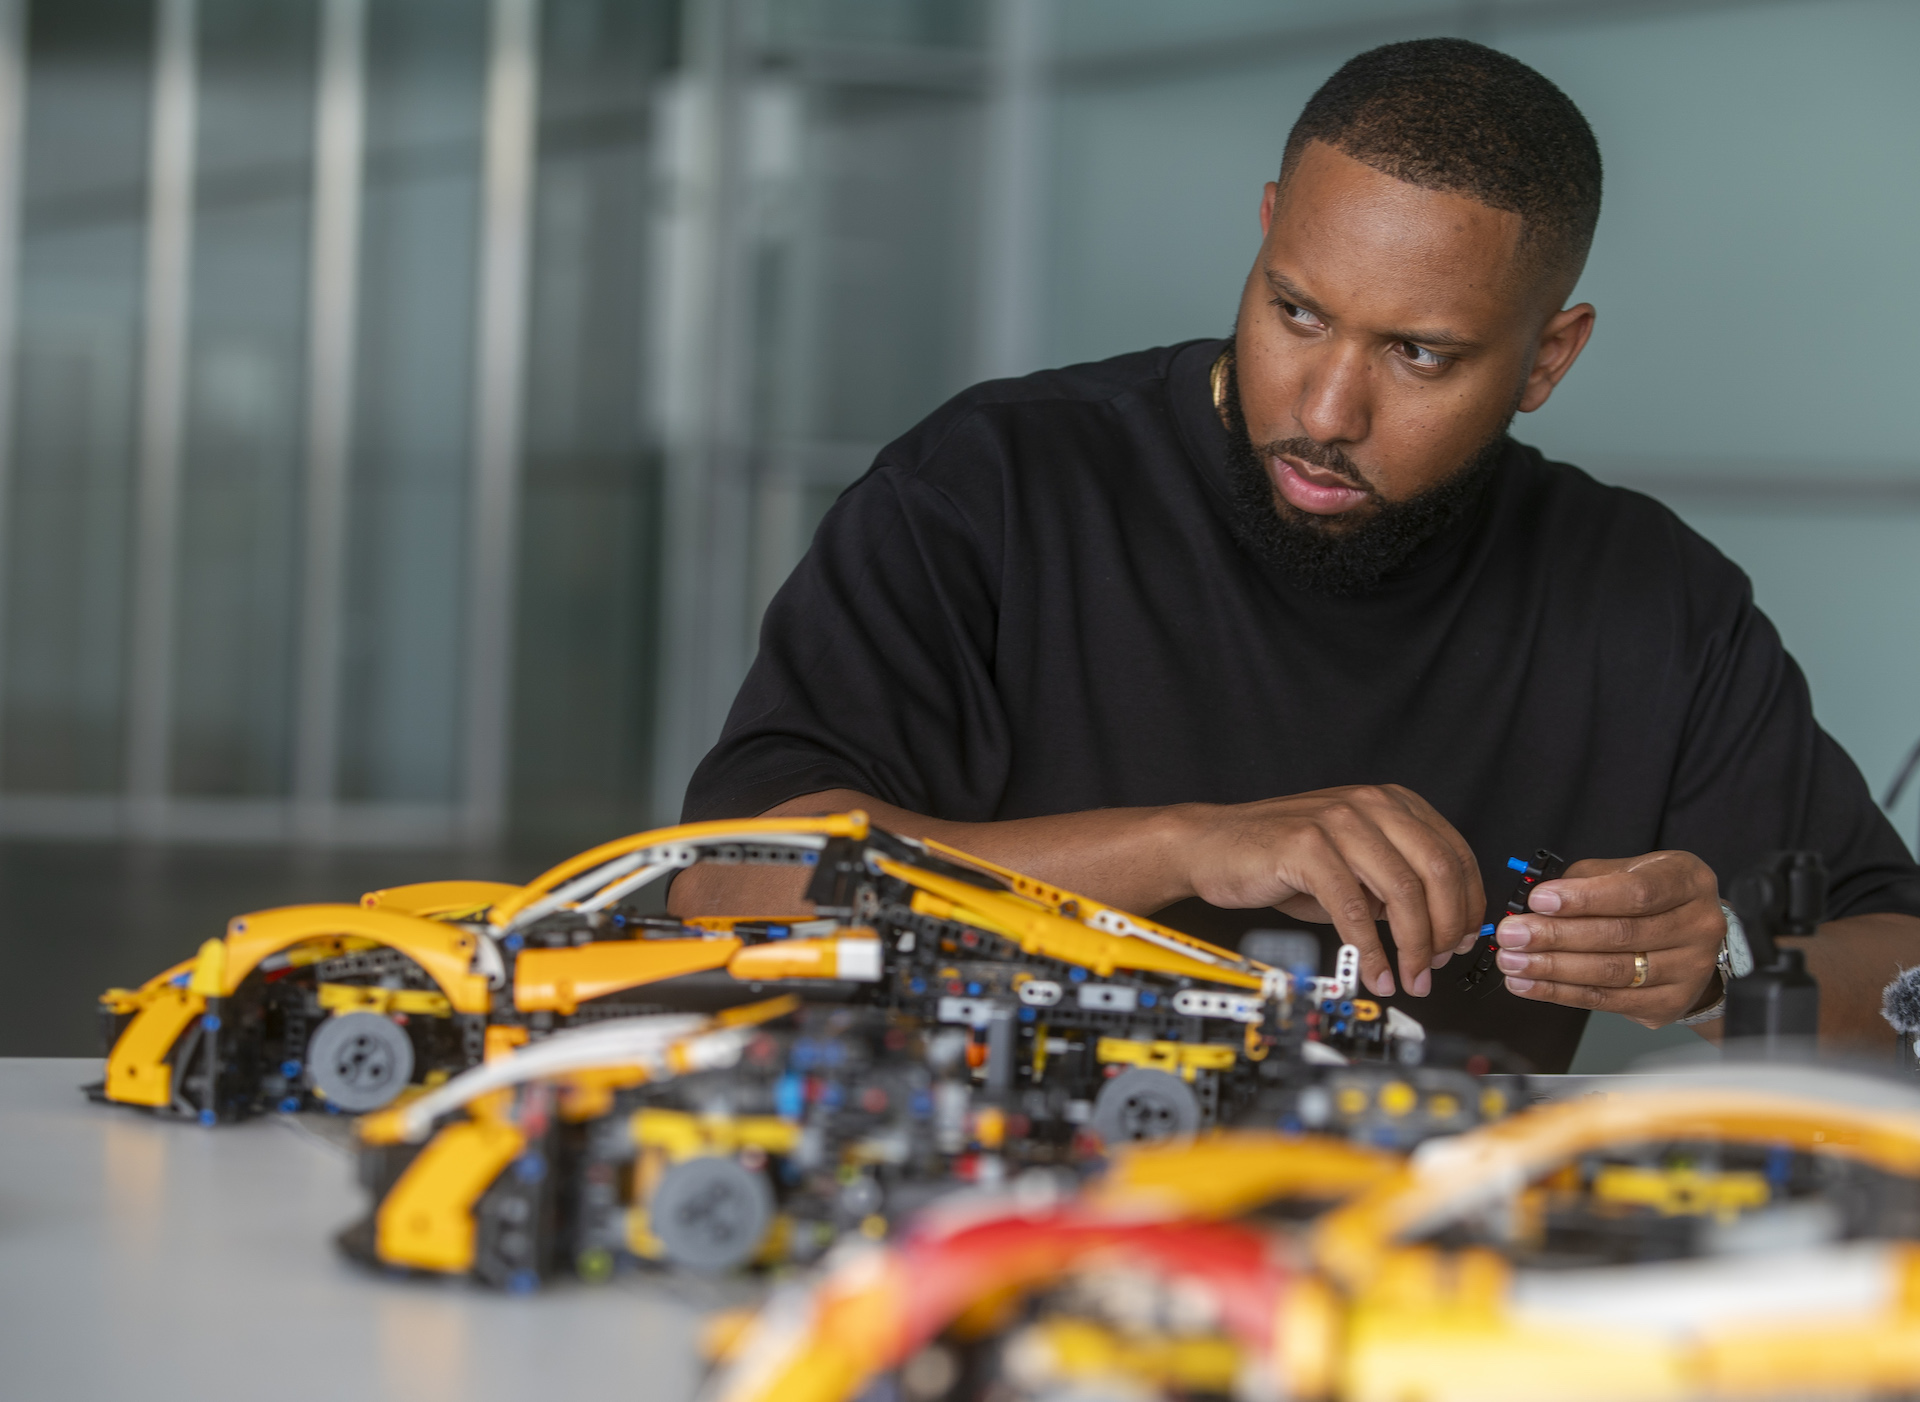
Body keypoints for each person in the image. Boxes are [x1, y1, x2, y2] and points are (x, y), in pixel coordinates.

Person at [670, 38, 1920, 1073]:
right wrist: (1185, 846)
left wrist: (1727, 965)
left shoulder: (1651, 602)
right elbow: (732, 881)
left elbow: (1902, 964)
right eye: (1296, 310)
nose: (1324, 410)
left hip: (1424, 1295)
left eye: (1418, 354)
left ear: (1549, 357)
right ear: (1268, 231)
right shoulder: (991, 487)